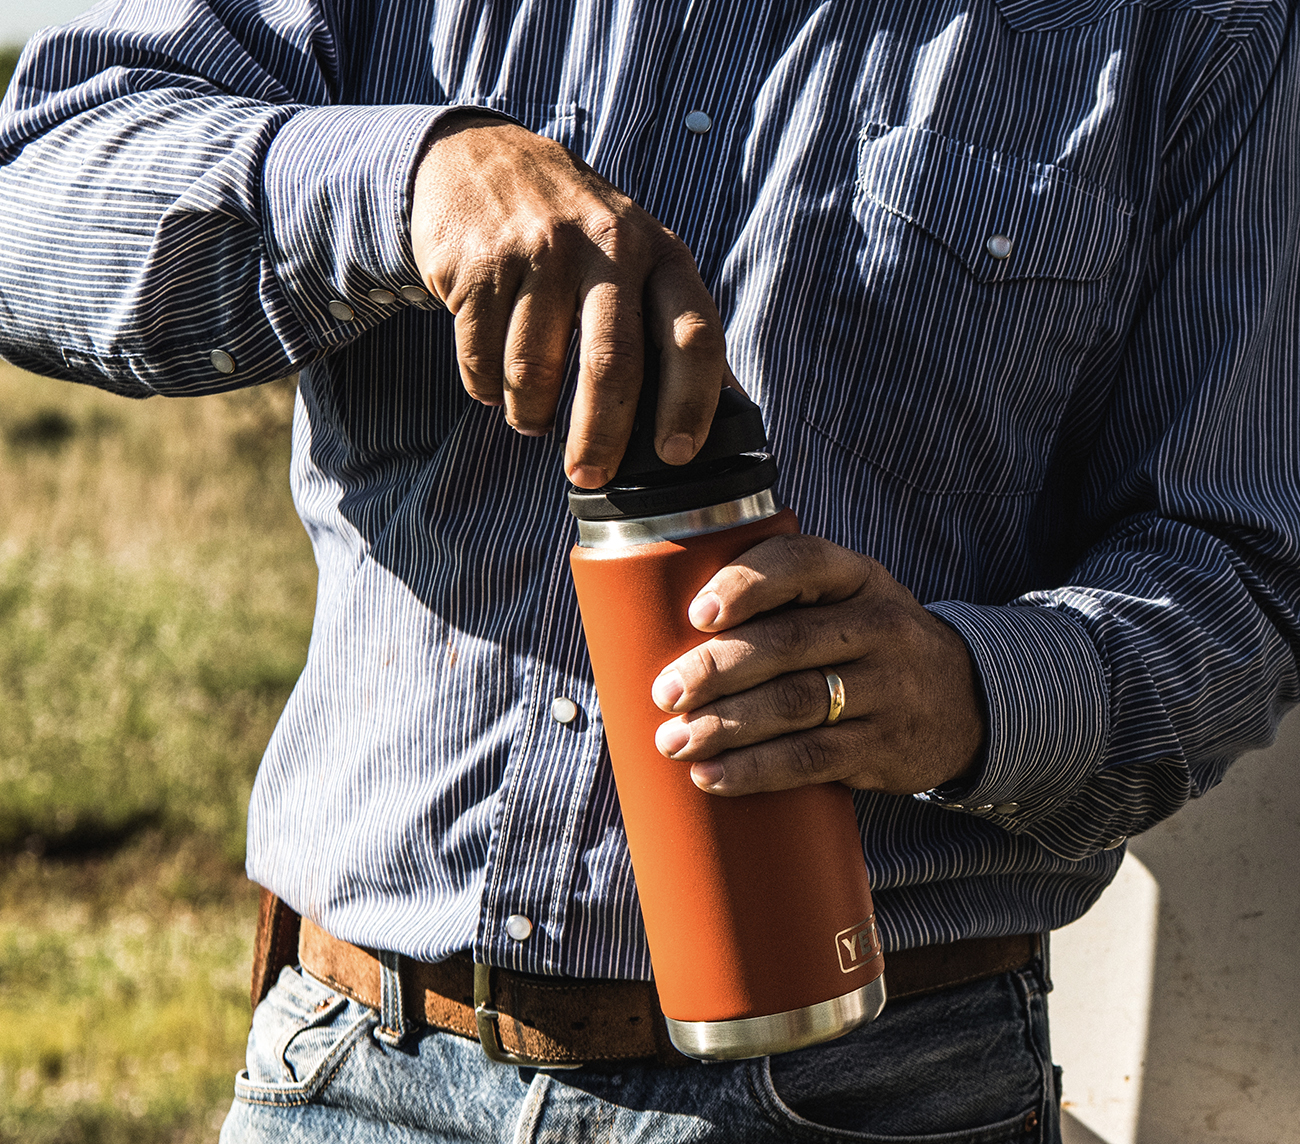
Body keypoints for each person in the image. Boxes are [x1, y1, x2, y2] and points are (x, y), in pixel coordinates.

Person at [2, 0, 1298, 1140]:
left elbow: (1242, 571)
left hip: (877, 1088)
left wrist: (965, 694)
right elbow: (34, 197)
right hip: (362, 1069)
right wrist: (406, 176)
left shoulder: (1203, 25)